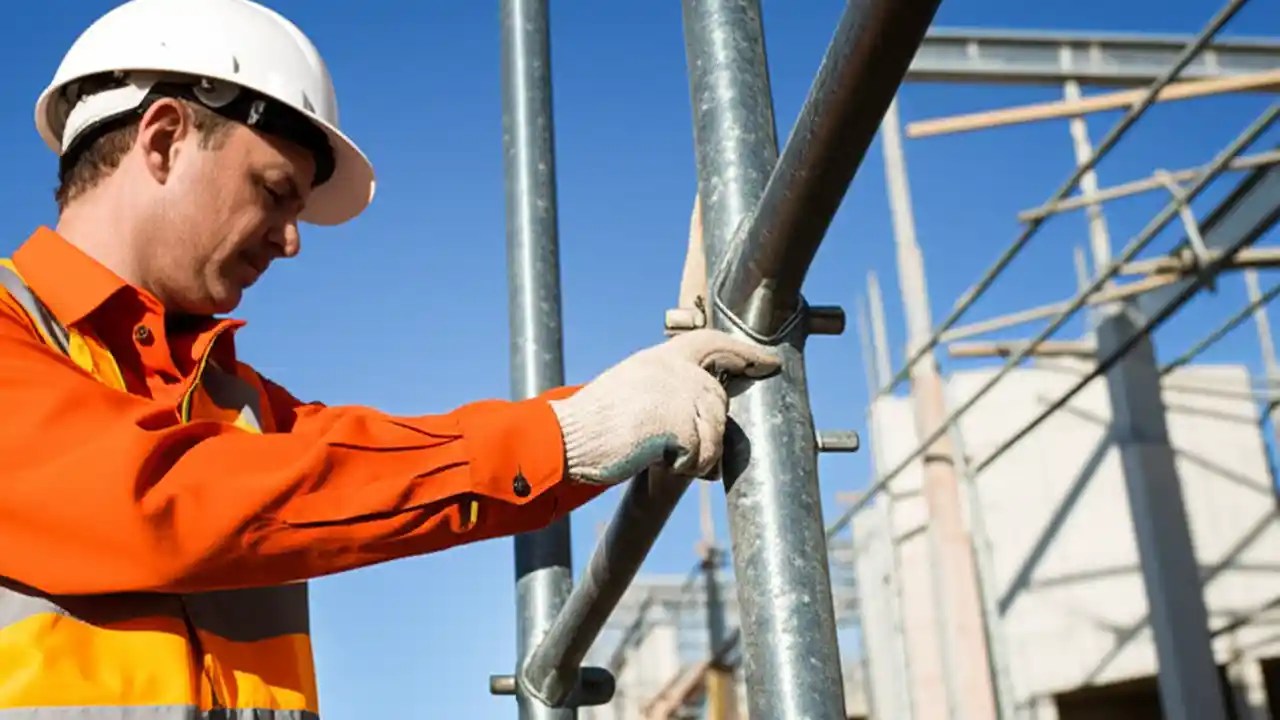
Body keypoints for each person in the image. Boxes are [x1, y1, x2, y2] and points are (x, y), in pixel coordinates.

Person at [0, 0, 779, 716]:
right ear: (164, 139)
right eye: (274, 191)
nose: (291, 240)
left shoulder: (234, 406)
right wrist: (570, 435)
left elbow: (402, 462)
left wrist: (638, 394)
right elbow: (161, 501)